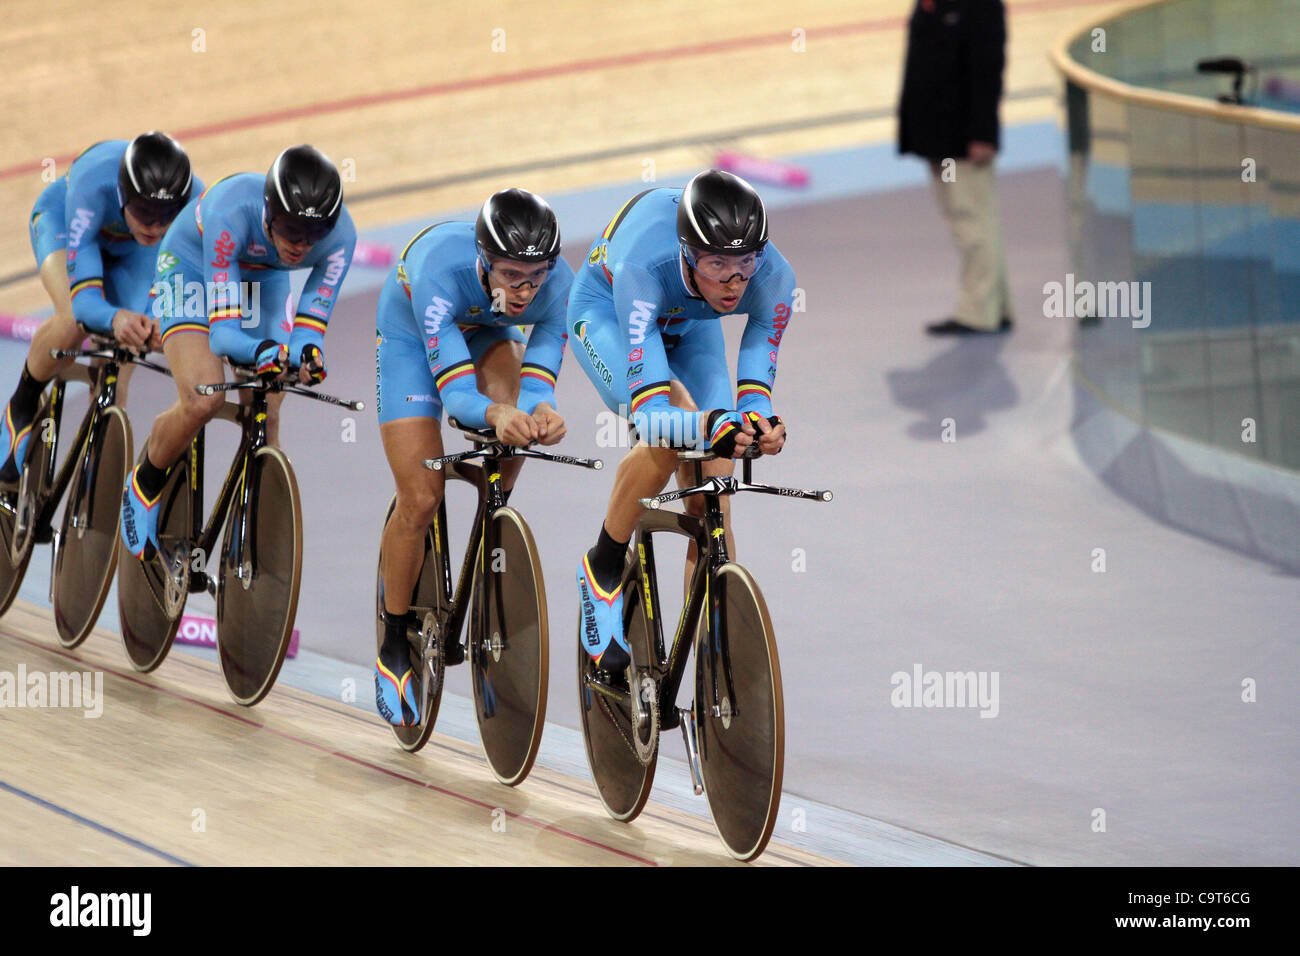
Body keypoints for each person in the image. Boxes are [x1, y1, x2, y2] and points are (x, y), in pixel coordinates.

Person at [569, 169, 791, 675]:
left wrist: (757, 422)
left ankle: (713, 644)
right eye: (717, 264)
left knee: (714, 481)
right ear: (689, 253)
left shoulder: (773, 276)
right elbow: (652, 414)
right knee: (671, 433)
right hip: (609, 314)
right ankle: (601, 567)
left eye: (744, 264)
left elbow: (758, 359)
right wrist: (711, 423)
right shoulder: (645, 265)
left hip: (691, 323)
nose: (735, 281)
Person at [373, 188, 572, 726]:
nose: (527, 289)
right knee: (420, 497)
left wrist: (538, 412)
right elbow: (457, 398)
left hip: (486, 330)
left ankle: (490, 524)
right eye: (512, 275)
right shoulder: (441, 271)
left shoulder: (558, 286)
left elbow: (538, 380)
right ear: (484, 262)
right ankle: (393, 643)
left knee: (515, 430)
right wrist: (493, 414)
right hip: (414, 340)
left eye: (537, 276)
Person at [120, 144, 355, 560]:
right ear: (269, 211)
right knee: (204, 397)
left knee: (270, 399)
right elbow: (224, 336)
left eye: (312, 235)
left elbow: (309, 328)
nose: (300, 245)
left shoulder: (341, 239)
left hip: (263, 280)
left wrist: (306, 356)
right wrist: (261, 348)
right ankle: (145, 482)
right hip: (193, 267)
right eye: (288, 228)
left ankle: (255, 530)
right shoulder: (229, 214)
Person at [0, 132, 200, 486]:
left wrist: (157, 322)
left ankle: (97, 475)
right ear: (123, 194)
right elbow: (86, 302)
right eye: (143, 213)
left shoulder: (197, 201)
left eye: (166, 215)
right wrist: (113, 316)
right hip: (64, 227)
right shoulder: (93, 181)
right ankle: (23, 404)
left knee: (125, 351)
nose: (154, 226)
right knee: (73, 320)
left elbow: (184, 280)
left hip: (132, 255)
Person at [897, 0, 1014, 335]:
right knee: (971, 221)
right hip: (937, 136)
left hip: (964, 139)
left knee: (972, 223)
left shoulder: (981, 5)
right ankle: (996, 305)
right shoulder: (930, 3)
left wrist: (982, 134)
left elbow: (988, 67)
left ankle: (979, 311)